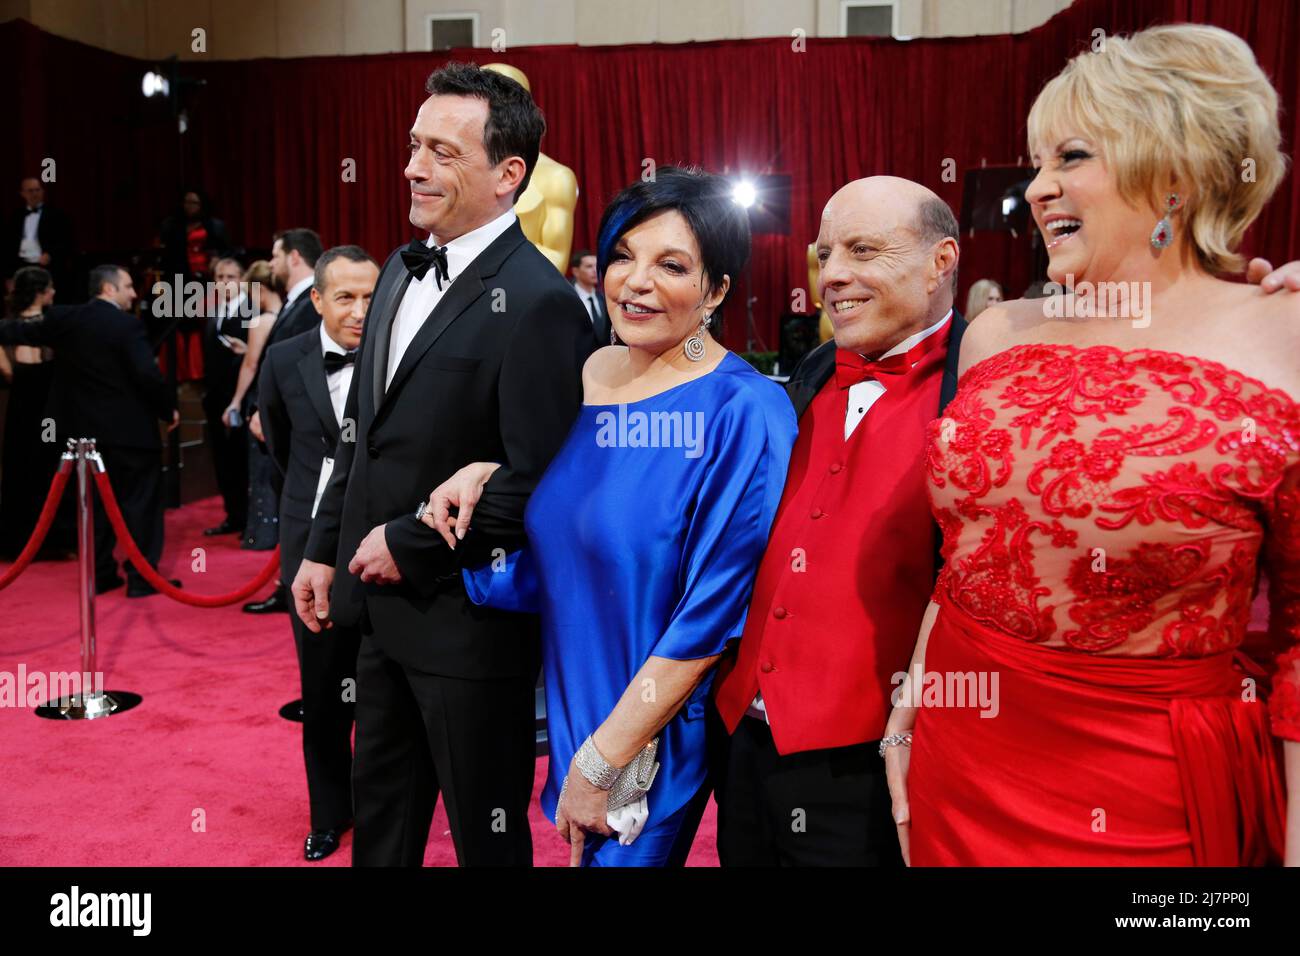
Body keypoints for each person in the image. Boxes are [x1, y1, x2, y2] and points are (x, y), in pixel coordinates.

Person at [890, 24, 1300, 866]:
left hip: (1148, 791)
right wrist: (912, 708)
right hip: (960, 752)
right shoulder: (996, 333)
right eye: (1037, 165)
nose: (1037, 190)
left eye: (1070, 157)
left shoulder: (1285, 333)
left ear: (1176, 170)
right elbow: (967, 553)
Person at [428, 167, 797, 866]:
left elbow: (712, 615)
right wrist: (490, 474)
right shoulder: (594, 372)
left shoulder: (745, 410)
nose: (634, 281)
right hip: (570, 694)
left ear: (717, 290)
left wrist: (604, 760)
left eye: (672, 265)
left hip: (652, 723)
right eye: (622, 255)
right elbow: (569, 518)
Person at [290, 62, 592, 867]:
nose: (414, 167)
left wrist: (409, 545)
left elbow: (543, 481)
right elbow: (361, 431)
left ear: (508, 175)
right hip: (375, 615)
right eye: (413, 146)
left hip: (470, 631)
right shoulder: (394, 270)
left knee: (486, 842)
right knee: (380, 831)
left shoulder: (540, 302)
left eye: (442, 152)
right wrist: (326, 547)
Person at [711, 176, 963, 867]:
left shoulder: (982, 383)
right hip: (742, 741)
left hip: (868, 761)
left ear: (941, 262)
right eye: (825, 256)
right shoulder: (815, 370)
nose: (834, 276)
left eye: (863, 251)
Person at [259, 245, 378, 861]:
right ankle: (329, 813)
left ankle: (389, 809)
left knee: (386, 693)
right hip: (310, 548)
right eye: (346, 297)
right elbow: (281, 446)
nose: (360, 310)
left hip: (384, 546)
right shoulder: (283, 360)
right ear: (317, 300)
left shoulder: (399, 356)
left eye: (369, 296)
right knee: (325, 692)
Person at [0, 265, 179, 597]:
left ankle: (100, 574)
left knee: (95, 508)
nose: (134, 293)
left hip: (85, 438)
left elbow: (19, 332)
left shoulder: (65, 319)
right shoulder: (127, 326)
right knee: (139, 506)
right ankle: (142, 579)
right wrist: (167, 410)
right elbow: (147, 375)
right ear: (108, 289)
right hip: (132, 435)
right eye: (128, 286)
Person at [0, 267, 73, 559]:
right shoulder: (57, 326)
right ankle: (53, 541)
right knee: (49, 467)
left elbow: (6, 372)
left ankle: (17, 542)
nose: (54, 293)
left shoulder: (5, 326)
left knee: (18, 468)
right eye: (51, 288)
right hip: (49, 415)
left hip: (19, 412)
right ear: (41, 292)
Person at [201, 256, 250, 537]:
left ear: (242, 280)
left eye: (230, 277)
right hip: (216, 399)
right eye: (219, 277)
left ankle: (248, 517)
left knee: (242, 460)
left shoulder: (253, 311)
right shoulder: (214, 313)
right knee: (222, 460)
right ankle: (233, 515)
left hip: (241, 399)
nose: (224, 283)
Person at [6, 178, 75, 301]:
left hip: (47, 267)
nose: (34, 194)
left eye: (37, 190)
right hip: (21, 266)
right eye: (30, 191)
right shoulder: (15, 216)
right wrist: (9, 276)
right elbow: (7, 246)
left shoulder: (56, 214)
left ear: (43, 191)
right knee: (24, 302)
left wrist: (51, 254)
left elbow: (66, 241)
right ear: (22, 194)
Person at [158, 189, 231, 282]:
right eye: (187, 202)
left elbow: (227, 250)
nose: (189, 206)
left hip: (208, 275)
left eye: (194, 203)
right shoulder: (171, 225)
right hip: (179, 276)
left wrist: (218, 259)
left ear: (201, 205)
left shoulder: (215, 225)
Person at [569, 248, 610, 346]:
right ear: (575, 271)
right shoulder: (567, 299)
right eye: (589, 266)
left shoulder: (604, 298)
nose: (595, 270)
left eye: (596, 265)